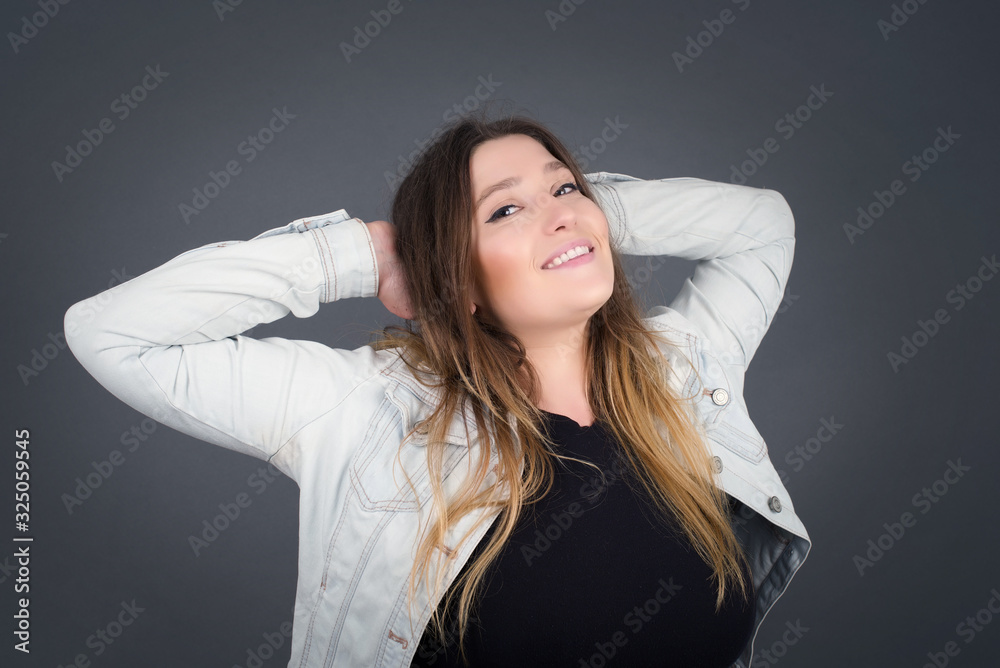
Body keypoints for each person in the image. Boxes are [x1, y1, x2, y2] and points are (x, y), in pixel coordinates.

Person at [65, 111, 810, 668]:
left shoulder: (681, 373)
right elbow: (113, 333)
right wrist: (367, 253)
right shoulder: (368, 413)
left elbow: (761, 222)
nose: (559, 209)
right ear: (457, 279)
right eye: (504, 209)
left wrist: (581, 215)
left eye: (565, 183)